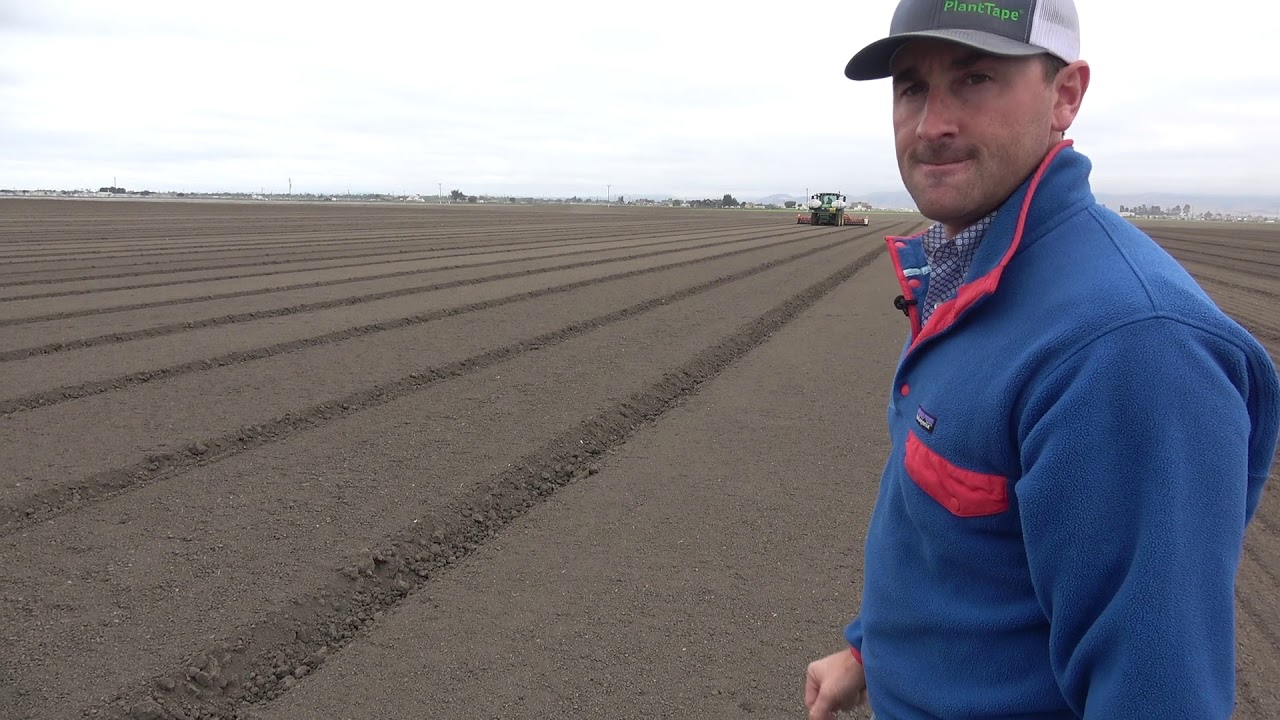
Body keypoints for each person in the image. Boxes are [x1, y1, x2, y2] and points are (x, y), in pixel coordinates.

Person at [804, 1, 1280, 718]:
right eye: (911, 87)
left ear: (1066, 94)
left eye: (974, 79)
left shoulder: (1128, 347)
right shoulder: (970, 274)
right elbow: (959, 539)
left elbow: (1157, 693)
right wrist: (871, 651)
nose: (931, 124)